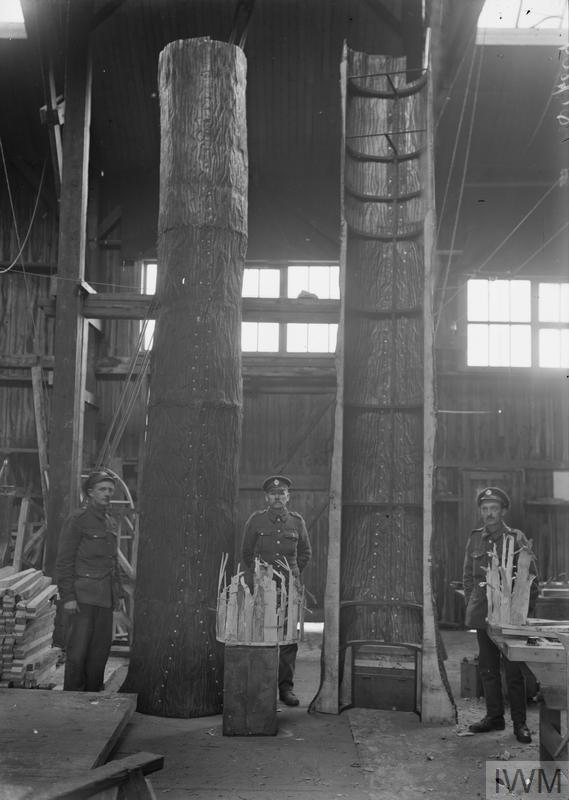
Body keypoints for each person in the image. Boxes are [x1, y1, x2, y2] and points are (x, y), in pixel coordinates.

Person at [463, 486, 538, 744]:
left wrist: (522, 614)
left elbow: (531, 579)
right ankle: (494, 717)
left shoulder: (515, 539)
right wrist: (473, 606)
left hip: (510, 617)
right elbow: (468, 578)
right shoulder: (475, 539)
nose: (489, 514)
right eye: (485, 509)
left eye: (494, 508)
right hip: (484, 615)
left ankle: (520, 724)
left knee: (513, 671)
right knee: (488, 670)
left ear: (503, 510)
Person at [241, 475, 312, 706]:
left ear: (288, 497)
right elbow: (246, 553)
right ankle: (263, 685)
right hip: (263, 588)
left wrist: (292, 574)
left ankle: (285, 688)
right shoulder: (256, 521)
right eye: (273, 494)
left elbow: (305, 553)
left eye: (281, 494)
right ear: (266, 497)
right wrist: (259, 578)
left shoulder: (297, 522)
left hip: (289, 590)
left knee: (288, 639)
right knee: (262, 635)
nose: (277, 497)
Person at [55, 470, 123, 691]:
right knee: (77, 652)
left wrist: (118, 595)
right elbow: (64, 561)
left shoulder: (110, 522)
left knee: (99, 652)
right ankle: (73, 698)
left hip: (105, 597)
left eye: (110, 490)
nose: (107, 493)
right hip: (82, 597)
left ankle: (93, 696)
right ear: (90, 492)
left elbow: (113, 562)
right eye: (102, 489)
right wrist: (68, 597)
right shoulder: (78, 520)